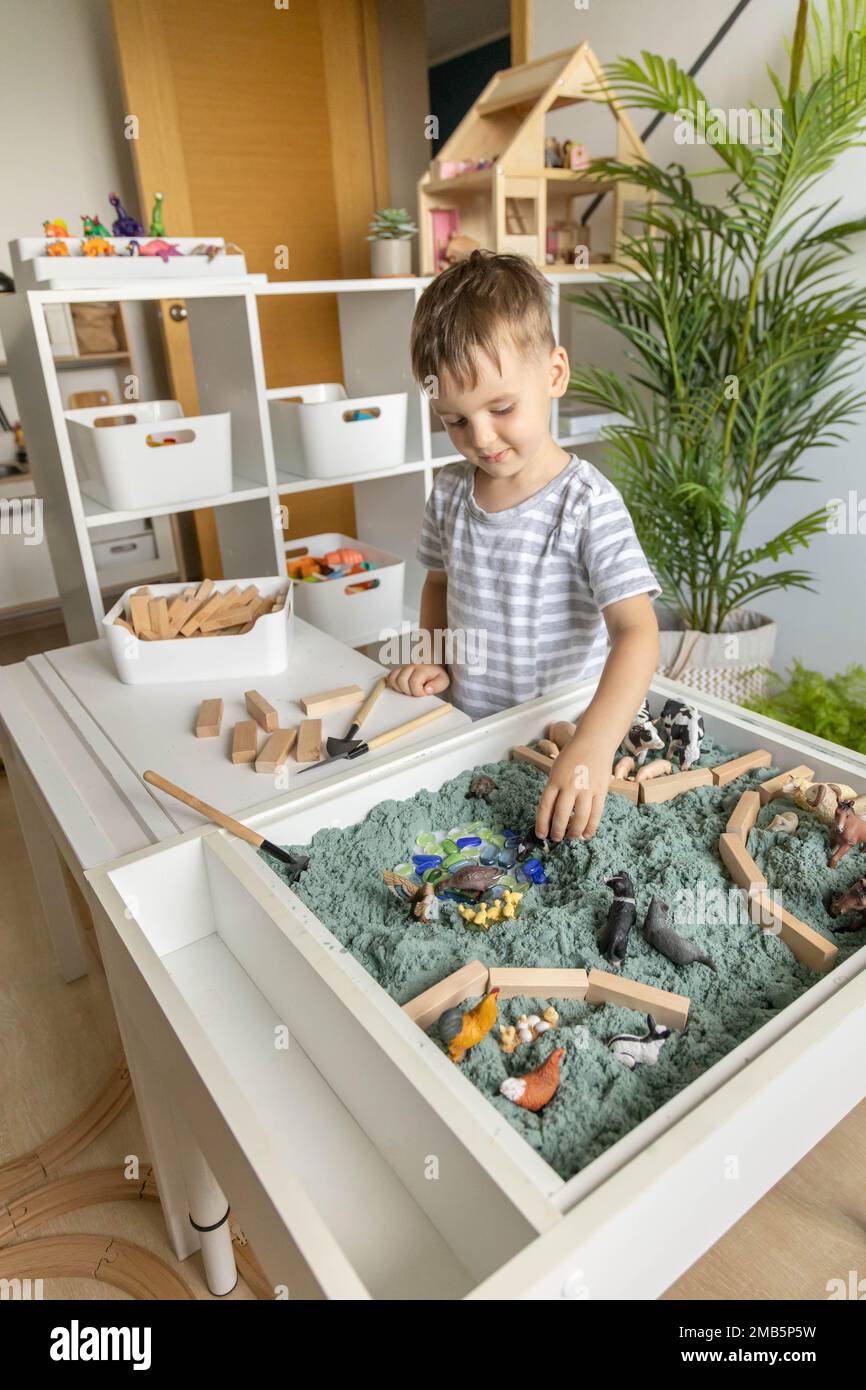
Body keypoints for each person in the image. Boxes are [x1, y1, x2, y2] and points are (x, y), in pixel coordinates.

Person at [386, 250, 661, 843]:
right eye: (454, 420)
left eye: (501, 408)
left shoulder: (587, 503)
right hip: (475, 730)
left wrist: (593, 741)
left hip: (566, 743)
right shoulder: (451, 491)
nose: (480, 437)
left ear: (555, 374)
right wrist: (434, 655)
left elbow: (637, 633)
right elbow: (438, 583)